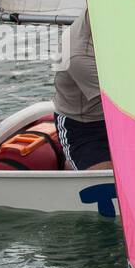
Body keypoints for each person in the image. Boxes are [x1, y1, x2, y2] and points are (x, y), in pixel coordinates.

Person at [52, 10, 112, 170]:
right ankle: (72, 162)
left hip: (114, 116)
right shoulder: (79, 55)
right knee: (105, 179)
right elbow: (127, 104)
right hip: (85, 126)